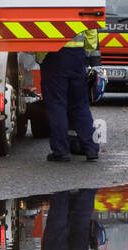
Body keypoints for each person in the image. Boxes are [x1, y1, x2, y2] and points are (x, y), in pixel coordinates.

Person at [38, 25, 101, 162]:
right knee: (80, 105)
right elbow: (91, 31)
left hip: (53, 55)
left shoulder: (46, 2)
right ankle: (91, 148)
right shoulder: (81, 3)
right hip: (77, 56)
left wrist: (39, 55)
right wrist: (88, 52)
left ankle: (61, 151)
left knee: (57, 105)